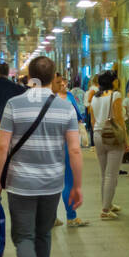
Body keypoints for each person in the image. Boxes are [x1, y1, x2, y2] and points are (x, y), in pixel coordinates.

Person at [0, 56, 84, 257]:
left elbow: (2, 146)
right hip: (52, 183)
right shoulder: (65, 107)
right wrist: (76, 186)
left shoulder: (14, 104)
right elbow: (75, 149)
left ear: (28, 76)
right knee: (43, 234)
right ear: (54, 75)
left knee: (23, 238)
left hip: (20, 184)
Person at [53, 74, 89, 228]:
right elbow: (77, 118)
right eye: (58, 82)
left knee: (53, 181)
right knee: (68, 181)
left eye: (63, 81)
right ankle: (71, 217)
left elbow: (79, 117)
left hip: (51, 144)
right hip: (66, 143)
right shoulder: (64, 99)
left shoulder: (64, 96)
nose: (62, 84)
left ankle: (53, 218)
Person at [89, 70, 125, 219]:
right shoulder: (115, 95)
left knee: (104, 173)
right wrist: (126, 139)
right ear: (113, 82)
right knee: (112, 174)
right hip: (112, 135)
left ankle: (107, 204)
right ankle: (105, 210)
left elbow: (92, 120)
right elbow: (119, 118)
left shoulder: (94, 98)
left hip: (97, 134)